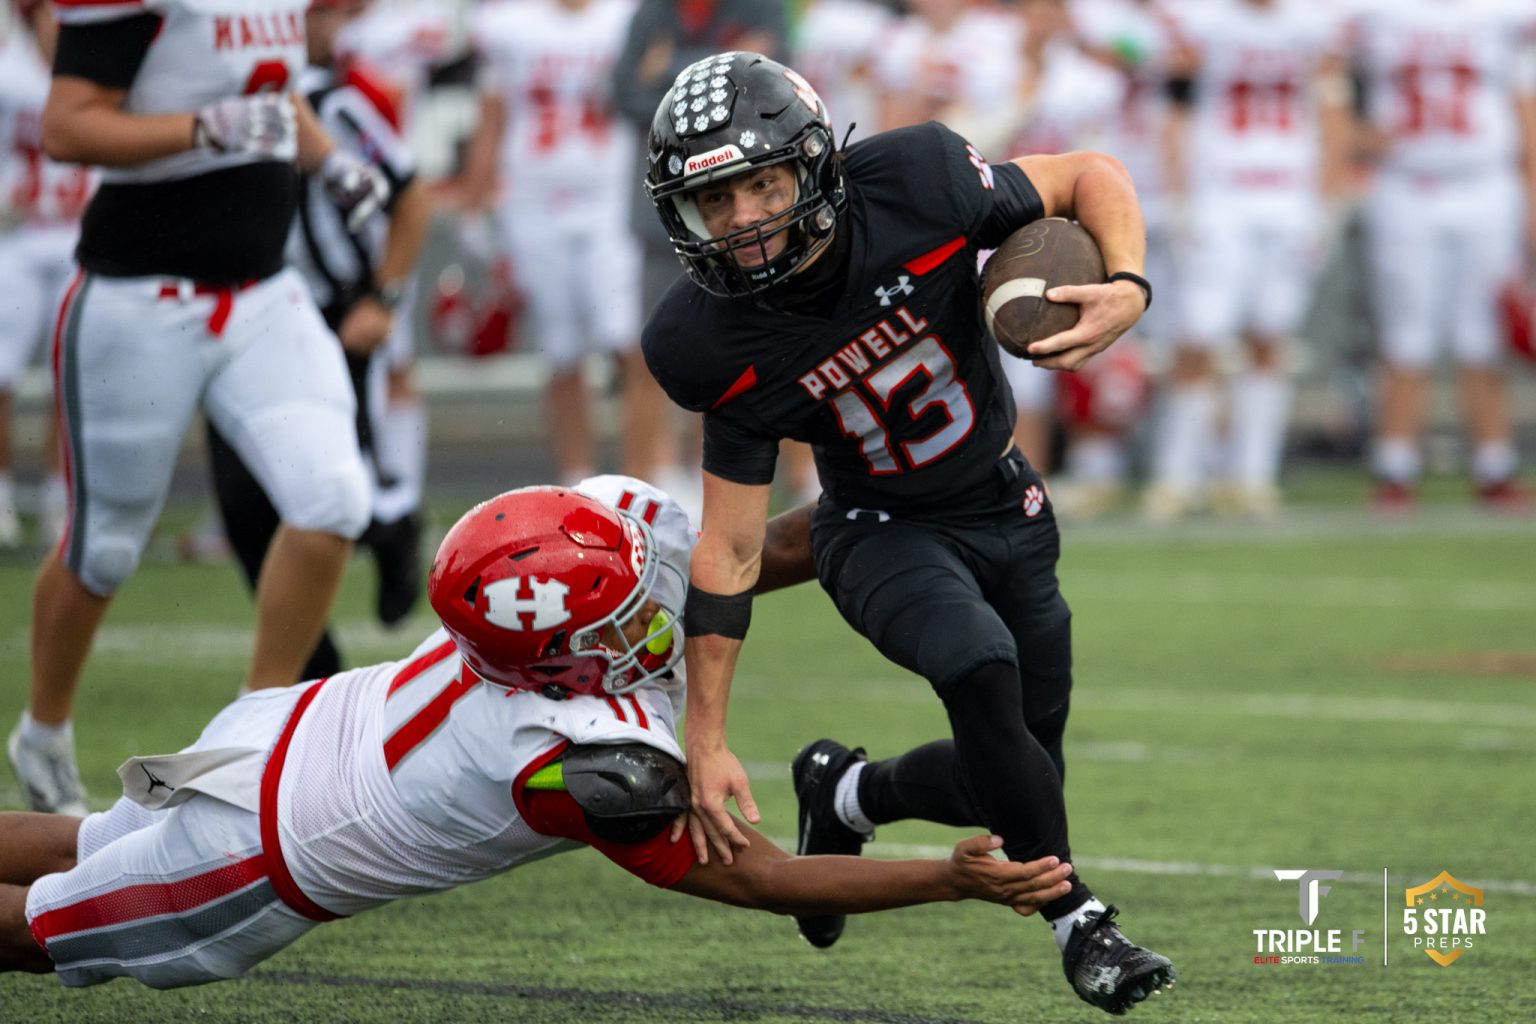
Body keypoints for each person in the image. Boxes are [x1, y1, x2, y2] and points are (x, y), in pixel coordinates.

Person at [0, 481, 1075, 988]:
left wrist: (899, 495)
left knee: (89, 838)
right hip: (265, 850)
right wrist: (945, 878)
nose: (651, 610)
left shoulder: (601, 522)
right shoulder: (581, 762)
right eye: (617, 618)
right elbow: (758, 877)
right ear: (562, 654)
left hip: (292, 734)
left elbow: (743, 555)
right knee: (42, 930)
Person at [639, 52, 1175, 1015]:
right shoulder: (708, 338)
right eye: (714, 201)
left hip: (1004, 501)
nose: (744, 221)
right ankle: (1081, 923)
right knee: (978, 664)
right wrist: (706, 737)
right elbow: (728, 549)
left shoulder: (920, 180)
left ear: (811, 164)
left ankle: (847, 792)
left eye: (761, 183)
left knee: (1009, 779)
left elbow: (1091, 173)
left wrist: (1129, 282)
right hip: (875, 528)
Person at [7, 0, 389, 817]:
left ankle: (242, 748)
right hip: (139, 295)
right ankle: (41, 734)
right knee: (104, 549)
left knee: (333, 501)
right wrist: (201, 130)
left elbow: (270, 95)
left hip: (263, 289)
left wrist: (329, 164)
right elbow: (69, 128)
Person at [203, 0, 434, 678]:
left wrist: (383, 297)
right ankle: (314, 659)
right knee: (244, 507)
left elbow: (410, 194)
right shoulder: (199, 98)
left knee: (328, 486)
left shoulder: (331, 105)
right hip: (232, 315)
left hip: (325, 315)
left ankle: (391, 534)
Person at [1144, 0, 1349, 522]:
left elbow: (1332, 110)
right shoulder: (1201, 21)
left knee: (1270, 335)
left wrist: (1327, 200)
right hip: (1221, 195)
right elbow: (1175, 110)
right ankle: (1177, 476)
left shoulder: (1313, 23)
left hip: (1288, 194)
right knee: (1199, 336)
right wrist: (1178, 195)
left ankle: (1251, 476)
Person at [1345, 0, 1535, 514]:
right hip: (1406, 184)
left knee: (1485, 333)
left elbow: (1523, 102)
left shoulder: (1504, 15)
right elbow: (1311, 66)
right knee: (1406, 333)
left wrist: (1531, 191)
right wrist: (1353, 133)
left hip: (1486, 183)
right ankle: (1396, 463)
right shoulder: (1374, 14)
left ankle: (1494, 464)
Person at [0, 0, 91, 548]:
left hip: (80, 240)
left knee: (75, 380)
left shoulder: (97, 70)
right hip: (17, 237)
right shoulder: (10, 74)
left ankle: (66, 504)